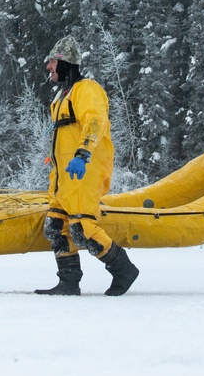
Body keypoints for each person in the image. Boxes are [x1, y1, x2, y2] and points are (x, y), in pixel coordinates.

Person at [35, 35, 139, 296]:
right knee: (56, 226)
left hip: (84, 169)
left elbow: (95, 121)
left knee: (82, 227)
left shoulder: (87, 89)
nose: (48, 67)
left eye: (52, 62)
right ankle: (68, 282)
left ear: (65, 63)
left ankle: (123, 269)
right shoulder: (62, 96)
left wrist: (82, 154)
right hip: (62, 176)